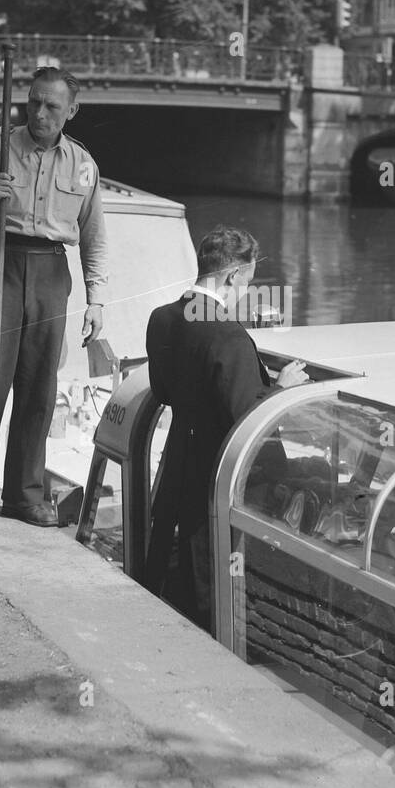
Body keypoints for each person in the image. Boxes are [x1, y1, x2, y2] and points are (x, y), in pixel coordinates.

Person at [0, 67, 107, 531]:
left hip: (52, 271)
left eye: (52, 106)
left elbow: (93, 236)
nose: (39, 113)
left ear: (71, 111)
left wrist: (96, 297)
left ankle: (24, 495)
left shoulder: (84, 164)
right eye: (33, 102)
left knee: (39, 388)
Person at [144, 226, 307, 628]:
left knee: (171, 563)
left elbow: (163, 390)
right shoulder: (229, 336)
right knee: (206, 579)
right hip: (213, 471)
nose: (245, 293)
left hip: (177, 460)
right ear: (233, 275)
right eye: (247, 283)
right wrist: (280, 387)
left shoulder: (162, 318)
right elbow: (245, 414)